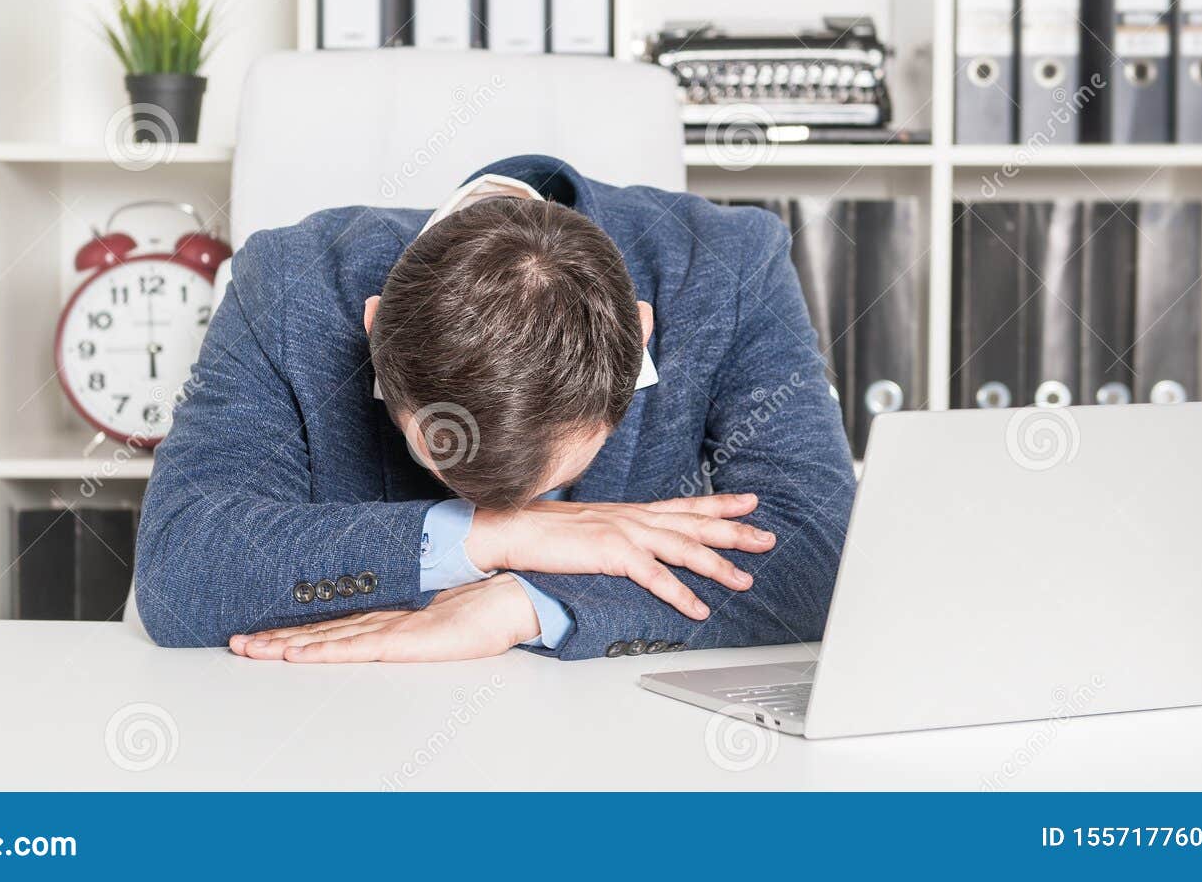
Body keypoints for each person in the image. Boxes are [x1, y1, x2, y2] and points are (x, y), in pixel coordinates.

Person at [134, 154, 857, 662]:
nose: (528, 506)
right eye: (446, 461)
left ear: (638, 340)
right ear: (375, 326)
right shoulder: (288, 285)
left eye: (546, 486)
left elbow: (821, 559)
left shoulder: (729, 265)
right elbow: (183, 565)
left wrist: (527, 602)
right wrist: (488, 536)